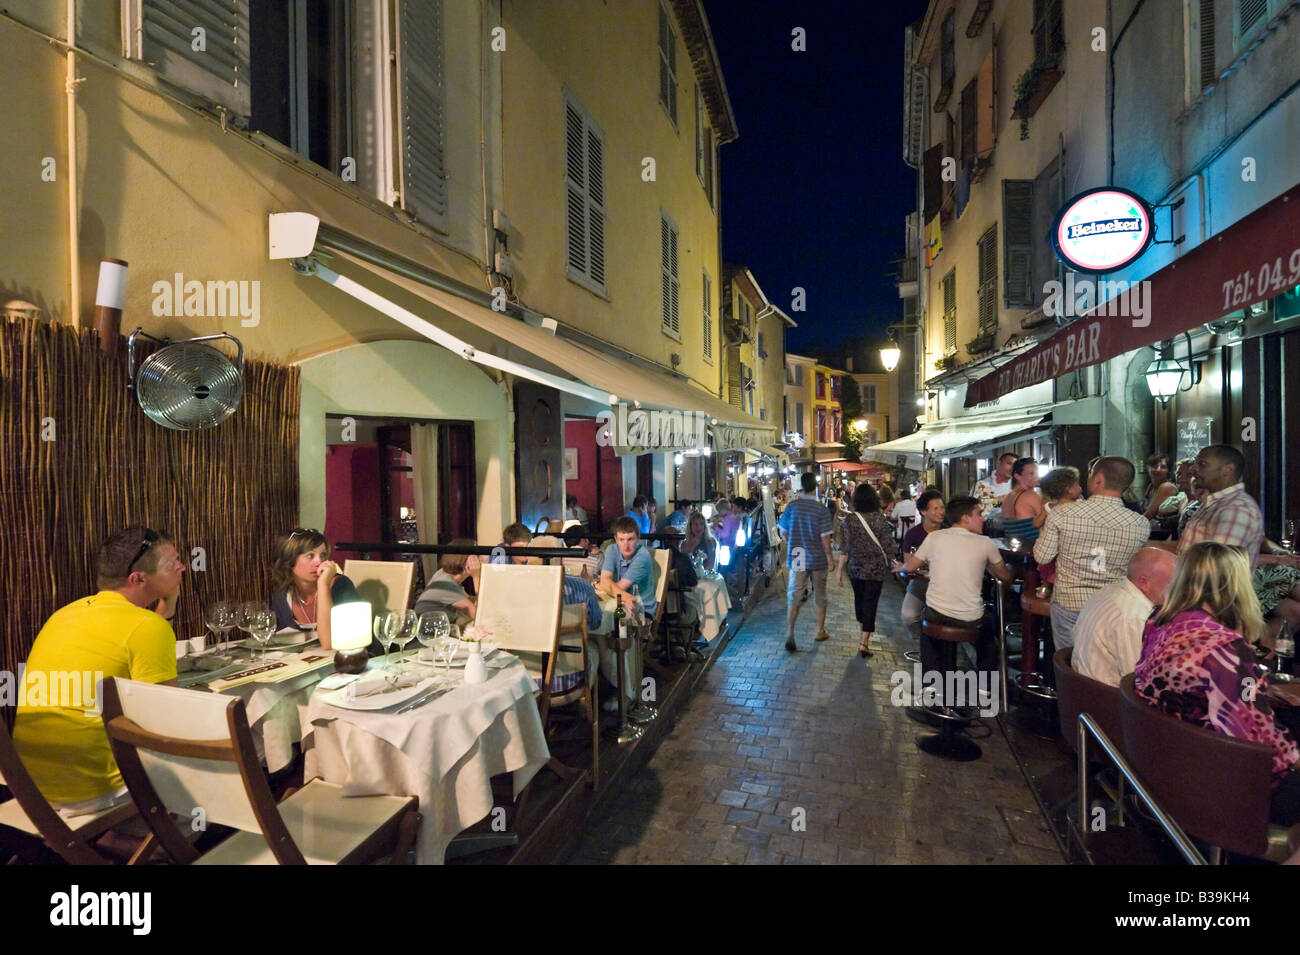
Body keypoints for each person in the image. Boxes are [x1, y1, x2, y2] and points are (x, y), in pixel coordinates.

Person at [13, 527, 182, 813]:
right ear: (137, 578)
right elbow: (165, 721)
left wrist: (168, 604)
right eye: (172, 563)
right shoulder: (147, 628)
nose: (182, 567)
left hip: (31, 788)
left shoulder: (63, 615)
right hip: (98, 789)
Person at [1136, 542, 1300, 826]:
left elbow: (1194, 684)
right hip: (1215, 780)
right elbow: (1255, 739)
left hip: (1166, 757)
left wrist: (1260, 688)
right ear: (1235, 585)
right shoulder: (1223, 647)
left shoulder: (1160, 620)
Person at [1033, 456, 1151, 649]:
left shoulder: (1062, 514)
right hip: (1113, 607)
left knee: (1069, 662)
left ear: (1098, 480)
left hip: (1070, 603)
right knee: (1102, 664)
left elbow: (1042, 556)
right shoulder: (1140, 524)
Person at [897, 496, 1012, 673]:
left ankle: (933, 683)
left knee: (928, 627)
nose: (983, 518)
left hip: (937, 614)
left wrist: (900, 567)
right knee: (990, 634)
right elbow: (1005, 576)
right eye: (978, 514)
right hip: (970, 618)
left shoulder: (934, 537)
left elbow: (910, 566)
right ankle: (984, 688)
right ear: (965, 518)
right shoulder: (986, 543)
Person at [1071, 547, 1177, 686]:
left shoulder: (1107, 591)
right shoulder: (1134, 617)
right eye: (1173, 584)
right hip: (1107, 699)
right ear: (1144, 582)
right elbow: (1137, 680)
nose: (1179, 590)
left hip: (1081, 690)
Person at [269, 528, 363, 651]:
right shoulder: (282, 594)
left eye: (323, 555)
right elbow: (279, 642)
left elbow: (330, 643)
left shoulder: (341, 587)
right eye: (310, 555)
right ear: (289, 560)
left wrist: (323, 586)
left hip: (349, 661)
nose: (319, 562)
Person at [836, 483, 897, 658]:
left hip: (855, 568)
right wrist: (895, 563)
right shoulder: (880, 519)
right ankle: (864, 641)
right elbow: (888, 545)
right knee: (871, 602)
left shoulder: (849, 520)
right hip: (876, 569)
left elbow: (844, 548)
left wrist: (839, 571)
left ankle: (863, 634)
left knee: (860, 600)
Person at [777, 471, 834, 651]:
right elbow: (825, 539)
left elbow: (783, 531)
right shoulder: (821, 510)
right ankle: (820, 630)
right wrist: (830, 558)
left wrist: (790, 540)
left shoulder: (792, 507)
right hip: (817, 555)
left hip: (798, 553)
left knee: (794, 594)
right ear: (815, 487)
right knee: (820, 594)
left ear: (801, 485)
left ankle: (790, 632)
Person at [900, 490, 946, 646]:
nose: (941, 512)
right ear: (923, 511)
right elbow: (908, 563)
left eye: (942, 507)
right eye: (936, 508)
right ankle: (924, 643)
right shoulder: (913, 534)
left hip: (945, 586)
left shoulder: (949, 532)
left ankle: (935, 645)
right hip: (920, 583)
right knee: (908, 615)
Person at [597, 516, 657, 616]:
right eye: (621, 540)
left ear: (638, 538)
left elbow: (619, 587)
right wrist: (627, 597)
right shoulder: (611, 549)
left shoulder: (642, 556)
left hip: (642, 609)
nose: (626, 545)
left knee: (601, 613)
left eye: (630, 539)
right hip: (622, 601)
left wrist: (602, 584)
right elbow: (606, 582)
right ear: (616, 539)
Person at [412, 538, 480, 625]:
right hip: (428, 632)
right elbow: (478, 616)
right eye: (477, 555)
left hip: (437, 627)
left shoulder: (443, 573)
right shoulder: (446, 585)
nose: (480, 559)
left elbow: (470, 600)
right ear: (464, 560)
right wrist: (476, 576)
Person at [1000, 457, 1043, 547]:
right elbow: (1046, 523)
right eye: (1031, 473)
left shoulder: (1008, 497)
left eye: (1037, 473)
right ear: (1017, 476)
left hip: (1012, 548)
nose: (1037, 477)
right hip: (1032, 547)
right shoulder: (1031, 495)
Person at [1141, 452, 1184, 536]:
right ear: (1147, 468)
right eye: (1154, 466)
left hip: (1165, 534)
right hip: (1153, 530)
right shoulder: (1151, 486)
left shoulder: (1166, 487)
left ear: (1168, 470)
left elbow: (1149, 515)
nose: (1158, 469)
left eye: (1163, 467)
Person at [972, 453, 1016, 520]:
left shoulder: (1017, 486)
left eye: (1015, 466)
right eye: (1009, 463)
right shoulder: (984, 484)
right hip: (988, 527)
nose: (1012, 468)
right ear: (999, 462)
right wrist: (1000, 500)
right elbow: (977, 509)